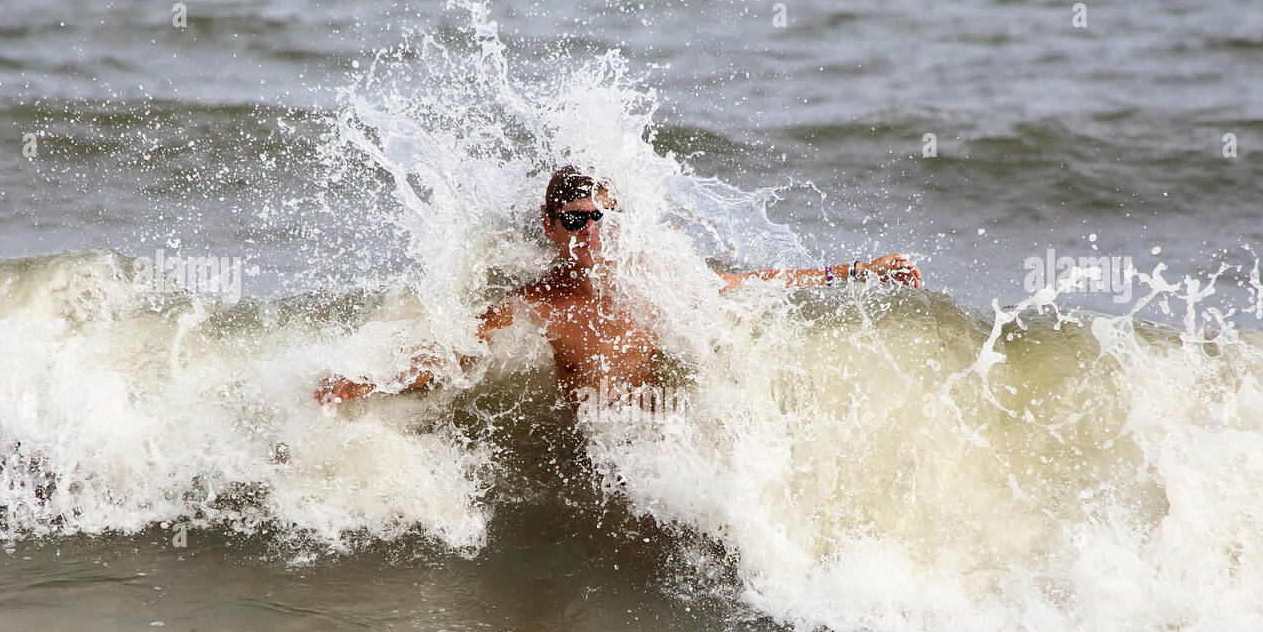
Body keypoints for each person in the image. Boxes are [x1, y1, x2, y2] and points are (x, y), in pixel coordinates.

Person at [314, 166, 921, 407]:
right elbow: (452, 353)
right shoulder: (541, 305)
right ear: (552, 228)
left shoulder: (657, 280)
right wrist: (361, 384)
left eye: (602, 219)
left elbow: (753, 282)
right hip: (599, 460)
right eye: (576, 221)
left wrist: (859, 271)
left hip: (666, 442)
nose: (592, 234)